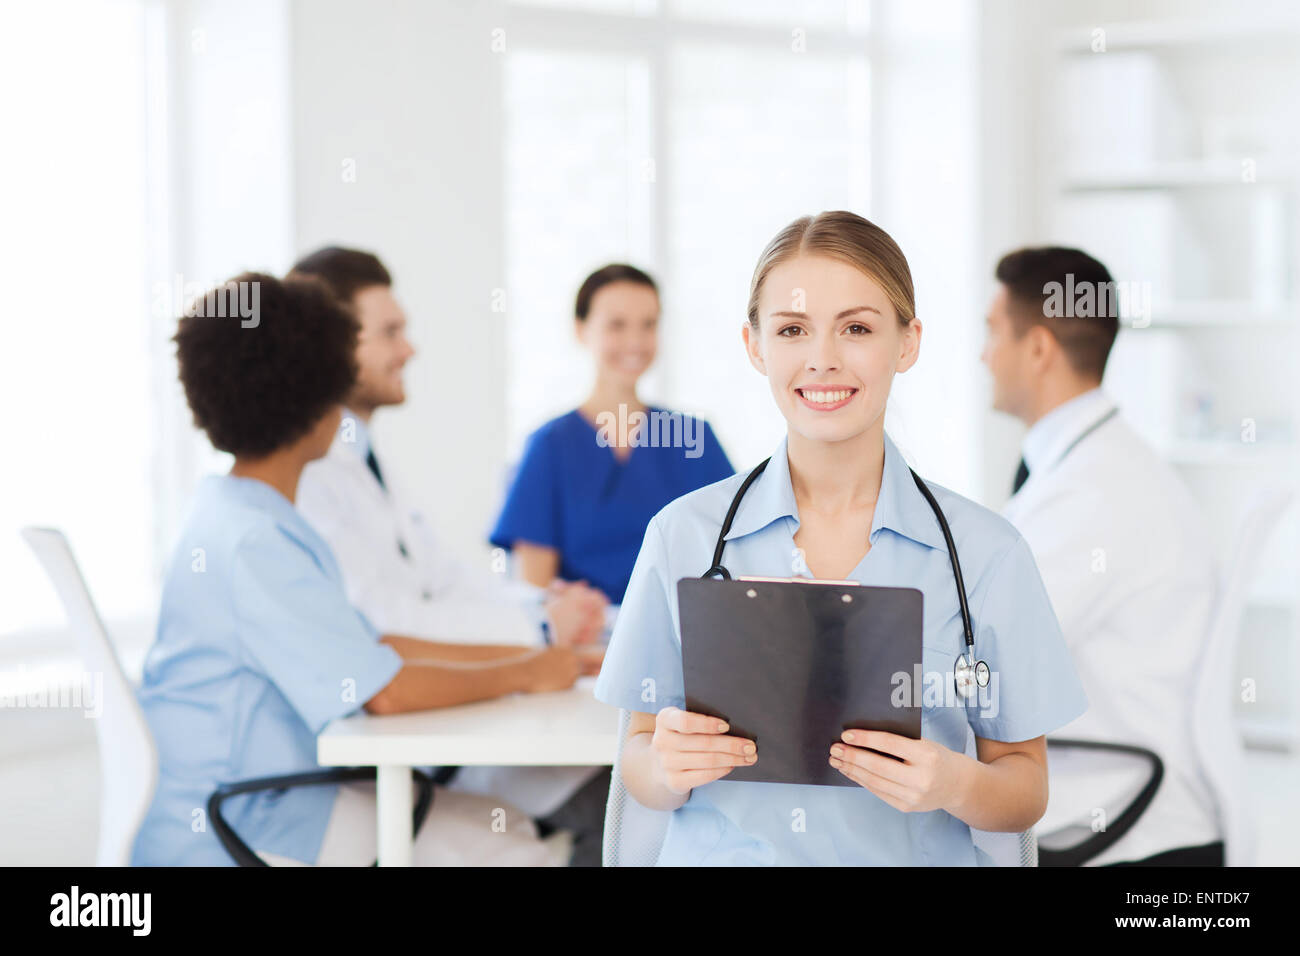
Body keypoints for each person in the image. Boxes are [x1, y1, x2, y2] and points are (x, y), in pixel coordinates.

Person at [594, 211, 1089, 866]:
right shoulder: (682, 536)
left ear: (907, 342)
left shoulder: (988, 555)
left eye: (856, 328)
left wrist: (955, 782)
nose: (823, 359)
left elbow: (1024, 784)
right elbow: (638, 759)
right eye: (793, 330)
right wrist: (666, 768)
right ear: (755, 345)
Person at [132, 272, 594, 867]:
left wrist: (539, 661)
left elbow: (375, 648)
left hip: (256, 796)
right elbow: (386, 693)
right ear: (320, 399)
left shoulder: (238, 513)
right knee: (519, 848)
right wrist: (527, 672)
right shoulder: (257, 540)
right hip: (249, 820)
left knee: (506, 827)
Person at [290, 246, 612, 866]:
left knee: (623, 780)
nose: (409, 349)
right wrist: (541, 631)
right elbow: (385, 623)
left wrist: (542, 605)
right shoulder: (313, 479)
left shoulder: (363, 458)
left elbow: (444, 579)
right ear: (330, 343)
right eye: (390, 332)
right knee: (617, 798)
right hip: (400, 747)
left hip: (441, 728)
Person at [982, 246, 1222, 866]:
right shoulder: (1093, 468)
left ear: (1037, 349)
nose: (984, 356)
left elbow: (996, 658)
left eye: (993, 333)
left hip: (1134, 840)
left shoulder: (1095, 493)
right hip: (1125, 812)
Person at [489, 264, 735, 605]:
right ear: (581, 330)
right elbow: (536, 600)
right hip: (588, 650)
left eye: (648, 325)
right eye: (617, 325)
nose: (635, 342)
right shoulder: (550, 447)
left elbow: (734, 556)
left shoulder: (693, 438)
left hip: (685, 642)